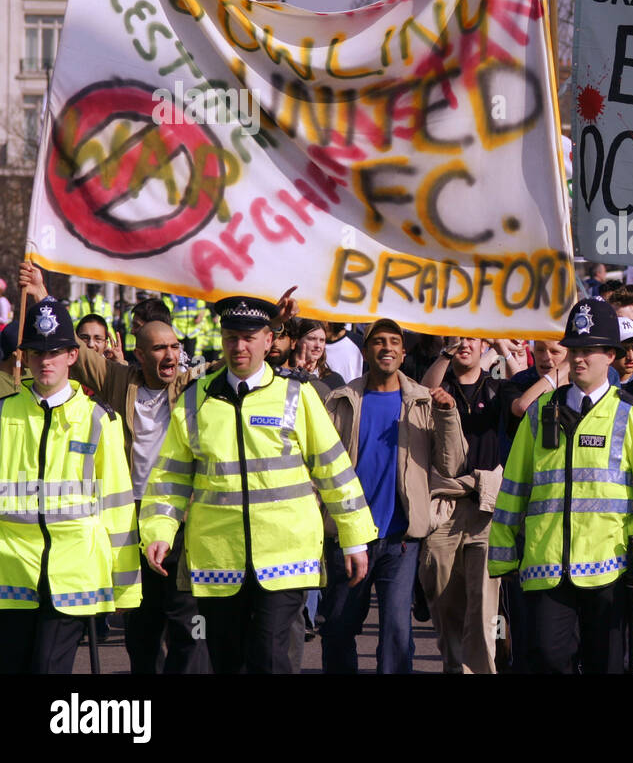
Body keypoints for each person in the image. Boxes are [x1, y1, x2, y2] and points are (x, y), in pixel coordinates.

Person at [139, 295, 378, 674]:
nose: (239, 346)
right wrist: (158, 530)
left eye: (250, 337)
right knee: (226, 661)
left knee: (269, 657)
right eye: (232, 337)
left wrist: (355, 537)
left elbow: (334, 469)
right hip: (218, 557)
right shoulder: (194, 400)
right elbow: (170, 477)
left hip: (284, 555)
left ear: (269, 340)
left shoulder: (297, 395)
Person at [19, 261, 214, 674]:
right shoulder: (119, 381)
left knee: (187, 626)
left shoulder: (193, 387)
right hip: (134, 519)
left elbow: (237, 359)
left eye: (175, 347)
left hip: (182, 518)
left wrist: (279, 328)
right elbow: (69, 344)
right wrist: (40, 293)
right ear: (138, 355)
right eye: (159, 349)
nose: (170, 355)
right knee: (142, 628)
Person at [489, 299, 633, 673]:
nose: (578, 359)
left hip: (609, 568)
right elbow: (514, 487)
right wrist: (502, 554)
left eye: (589, 351)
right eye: (574, 350)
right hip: (545, 566)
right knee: (546, 659)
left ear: (610, 355)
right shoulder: (541, 411)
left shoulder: (632, 415)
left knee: (607, 666)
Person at [0, 297, 141, 673]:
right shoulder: (3, 414)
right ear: (25, 358)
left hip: (73, 579)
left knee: (48, 669)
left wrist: (125, 586)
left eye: (55, 352)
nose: (45, 361)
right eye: (36, 352)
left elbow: (117, 506)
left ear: (72, 357)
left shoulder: (98, 419)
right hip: (10, 575)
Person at [321, 320, 466, 673]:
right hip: (348, 538)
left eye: (394, 342)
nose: (386, 348)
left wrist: (447, 415)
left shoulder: (423, 400)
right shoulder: (341, 400)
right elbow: (319, 464)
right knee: (339, 630)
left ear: (403, 352)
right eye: (378, 342)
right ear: (366, 350)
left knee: (397, 633)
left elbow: (452, 464)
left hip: (401, 541)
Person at [419, 336, 506, 674]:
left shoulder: (497, 386)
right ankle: (454, 668)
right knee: (444, 603)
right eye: (455, 339)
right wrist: (447, 352)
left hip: (485, 507)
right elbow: (422, 391)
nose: (463, 344)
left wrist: (498, 341)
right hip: (444, 507)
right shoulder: (441, 382)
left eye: (470, 338)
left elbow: (523, 396)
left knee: (484, 608)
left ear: (484, 345)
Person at [290, 318, 346, 392]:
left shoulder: (334, 380)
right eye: (312, 339)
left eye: (322, 340)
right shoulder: (284, 373)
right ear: (296, 341)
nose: (318, 345)